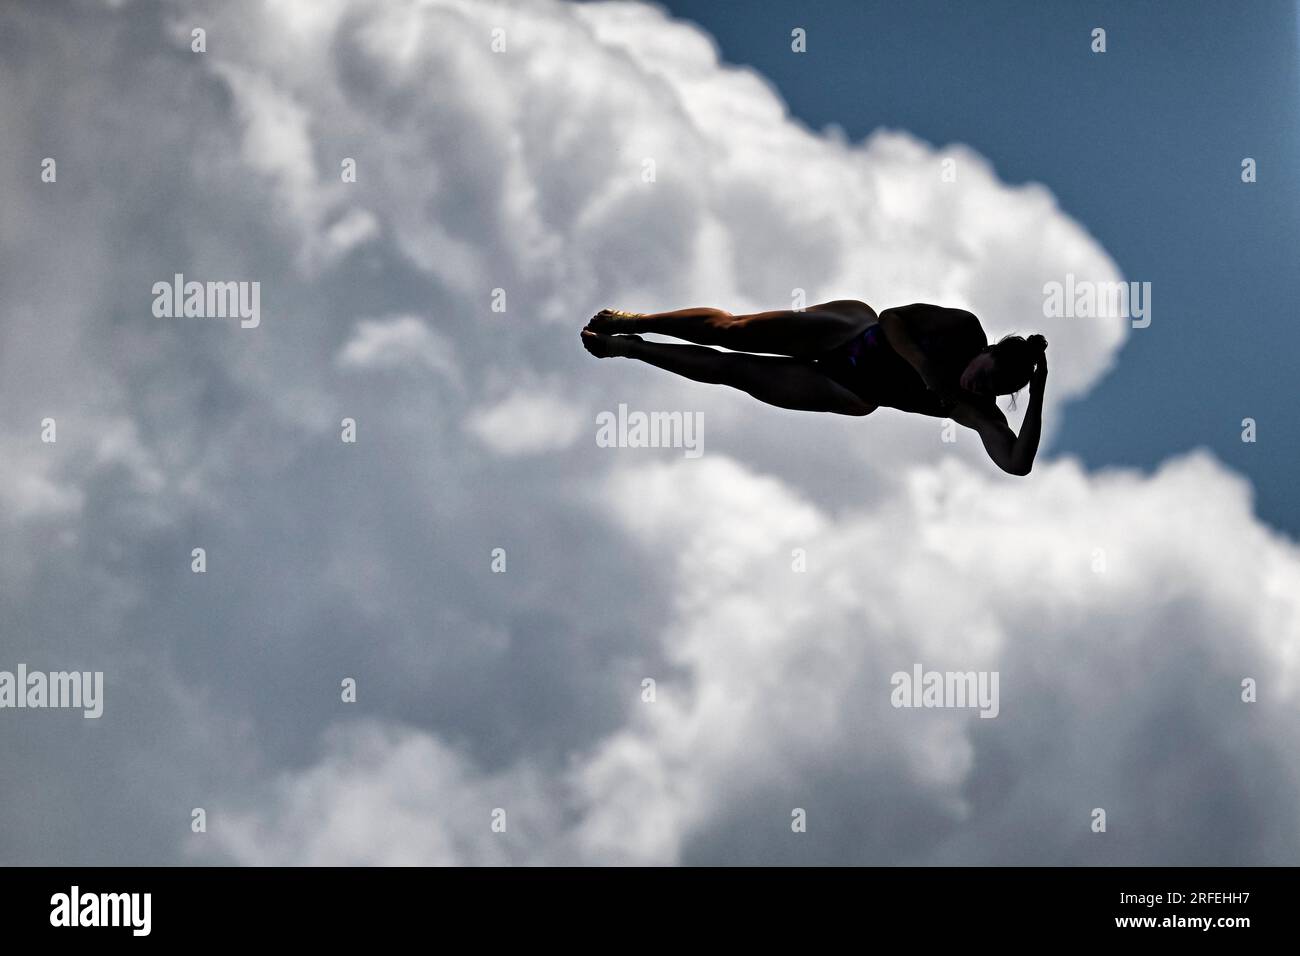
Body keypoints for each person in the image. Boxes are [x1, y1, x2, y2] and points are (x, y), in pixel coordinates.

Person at [581, 300, 1048, 476]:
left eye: (989, 388)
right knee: (733, 329)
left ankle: (631, 349)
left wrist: (1038, 393)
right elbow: (893, 319)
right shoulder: (963, 329)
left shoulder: (977, 410)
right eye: (983, 372)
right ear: (988, 349)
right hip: (851, 332)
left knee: (734, 371)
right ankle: (638, 319)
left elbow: (1017, 463)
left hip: (847, 387)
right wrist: (925, 367)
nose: (975, 383)